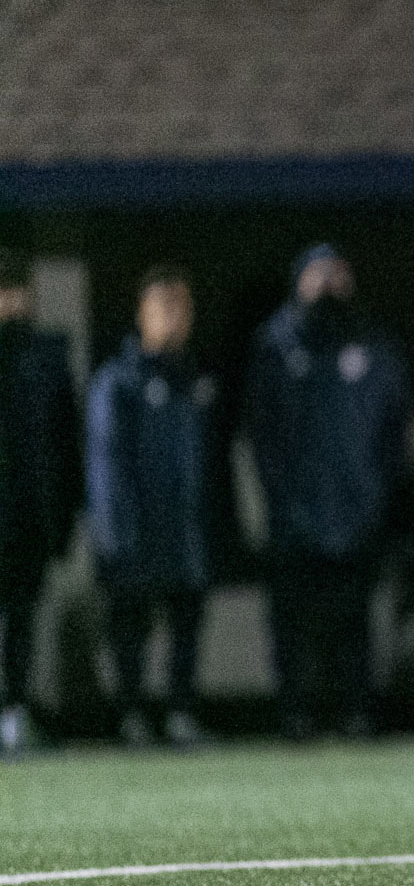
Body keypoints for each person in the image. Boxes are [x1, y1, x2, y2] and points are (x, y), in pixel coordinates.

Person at [247, 245, 410, 740]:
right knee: (294, 621)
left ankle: (357, 711)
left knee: (354, 621)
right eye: (317, 276)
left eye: (338, 275)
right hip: (294, 514)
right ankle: (296, 714)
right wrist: (280, 497)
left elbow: (393, 425)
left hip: (357, 513)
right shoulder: (275, 345)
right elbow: (262, 431)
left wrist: (375, 492)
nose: (328, 286)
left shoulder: (372, 345)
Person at [86, 266, 231, 748]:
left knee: (187, 628)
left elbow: (215, 464)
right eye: (163, 305)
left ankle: (180, 713)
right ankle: (131, 714)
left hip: (187, 529)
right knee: (130, 629)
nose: (173, 317)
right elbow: (107, 464)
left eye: (181, 306)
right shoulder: (118, 381)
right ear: (141, 312)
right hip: (136, 532)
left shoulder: (199, 380)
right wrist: (115, 534)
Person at [0, 248, 81, 758]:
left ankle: (14, 712)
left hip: (27, 516)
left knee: (22, 620)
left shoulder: (46, 356)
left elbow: (66, 442)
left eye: (14, 290)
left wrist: (66, 515)